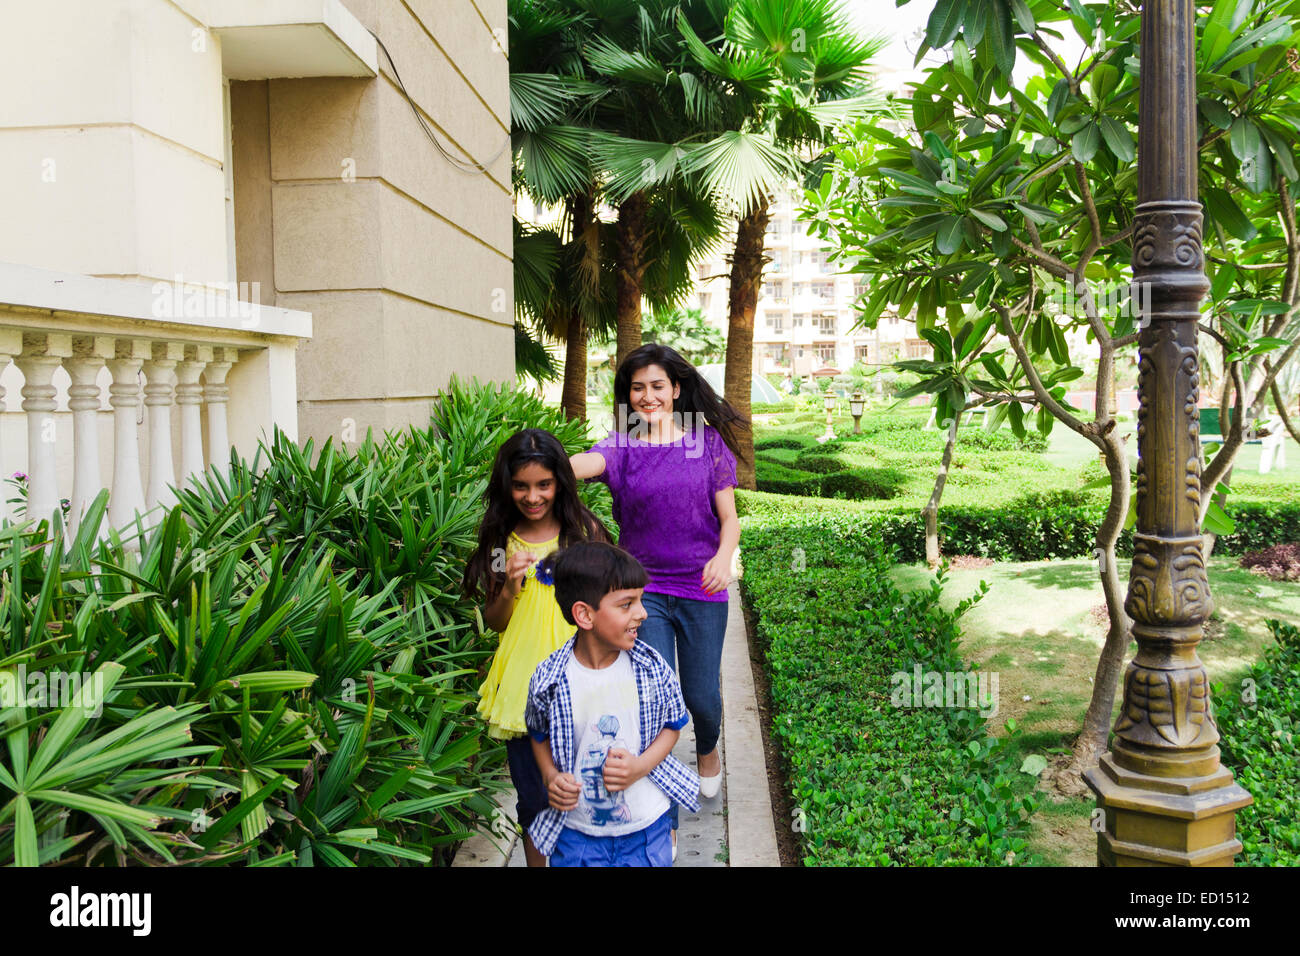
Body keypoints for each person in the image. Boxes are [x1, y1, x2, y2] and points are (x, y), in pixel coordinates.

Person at [569, 343, 746, 852]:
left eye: (657, 386)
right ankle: (659, 809)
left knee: (702, 698)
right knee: (651, 700)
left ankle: (708, 748)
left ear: (676, 389)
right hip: (641, 595)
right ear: (628, 396)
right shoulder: (622, 446)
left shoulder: (706, 444)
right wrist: (543, 460)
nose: (647, 396)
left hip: (701, 587)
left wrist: (722, 556)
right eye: (637, 388)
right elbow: (587, 462)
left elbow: (729, 518)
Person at [461, 429, 610, 867]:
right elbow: (495, 621)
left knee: (590, 794)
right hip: (525, 689)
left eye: (543, 484)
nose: (532, 496)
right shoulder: (498, 544)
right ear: (507, 486)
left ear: (560, 482)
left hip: (583, 684)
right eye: (521, 486)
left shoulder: (585, 533)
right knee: (535, 800)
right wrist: (508, 584)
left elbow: (611, 607)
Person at [525, 542, 699, 867]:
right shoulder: (550, 678)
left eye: (641, 600)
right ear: (585, 614)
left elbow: (673, 726)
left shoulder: (651, 669)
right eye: (626, 604)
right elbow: (537, 733)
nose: (642, 613)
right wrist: (550, 776)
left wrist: (640, 766)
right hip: (577, 834)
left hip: (646, 828)